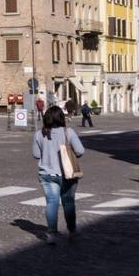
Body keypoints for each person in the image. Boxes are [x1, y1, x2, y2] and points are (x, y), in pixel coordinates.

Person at [33, 105, 85, 244]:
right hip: (66, 174)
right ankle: (72, 231)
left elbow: (36, 155)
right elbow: (80, 151)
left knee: (51, 202)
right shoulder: (68, 132)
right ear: (61, 118)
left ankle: (52, 234)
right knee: (68, 203)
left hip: (46, 174)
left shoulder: (39, 134)